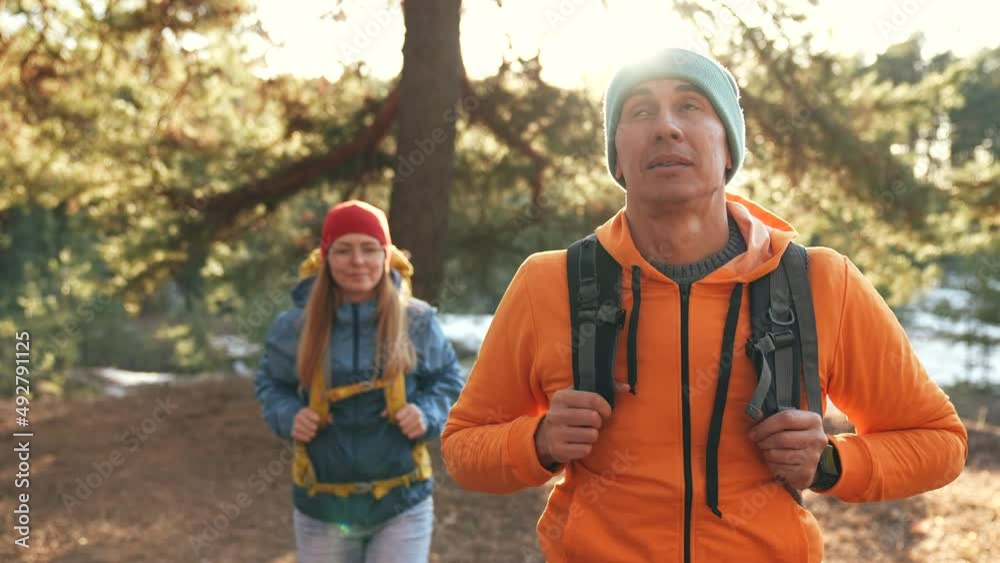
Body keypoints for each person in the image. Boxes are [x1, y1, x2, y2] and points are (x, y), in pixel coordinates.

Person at [440, 48, 968, 562]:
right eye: (640, 111)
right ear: (617, 156)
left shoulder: (821, 282)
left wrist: (831, 463)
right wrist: (539, 440)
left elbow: (939, 443)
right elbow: (464, 449)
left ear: (728, 146)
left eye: (691, 106)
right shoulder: (547, 283)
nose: (666, 127)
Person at [255, 200, 463, 563]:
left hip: (402, 504)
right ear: (325, 257)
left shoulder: (416, 320)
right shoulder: (295, 326)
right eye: (344, 250)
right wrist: (289, 415)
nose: (358, 261)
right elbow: (271, 383)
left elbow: (448, 378)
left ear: (386, 255)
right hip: (322, 508)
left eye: (370, 249)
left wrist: (427, 413)